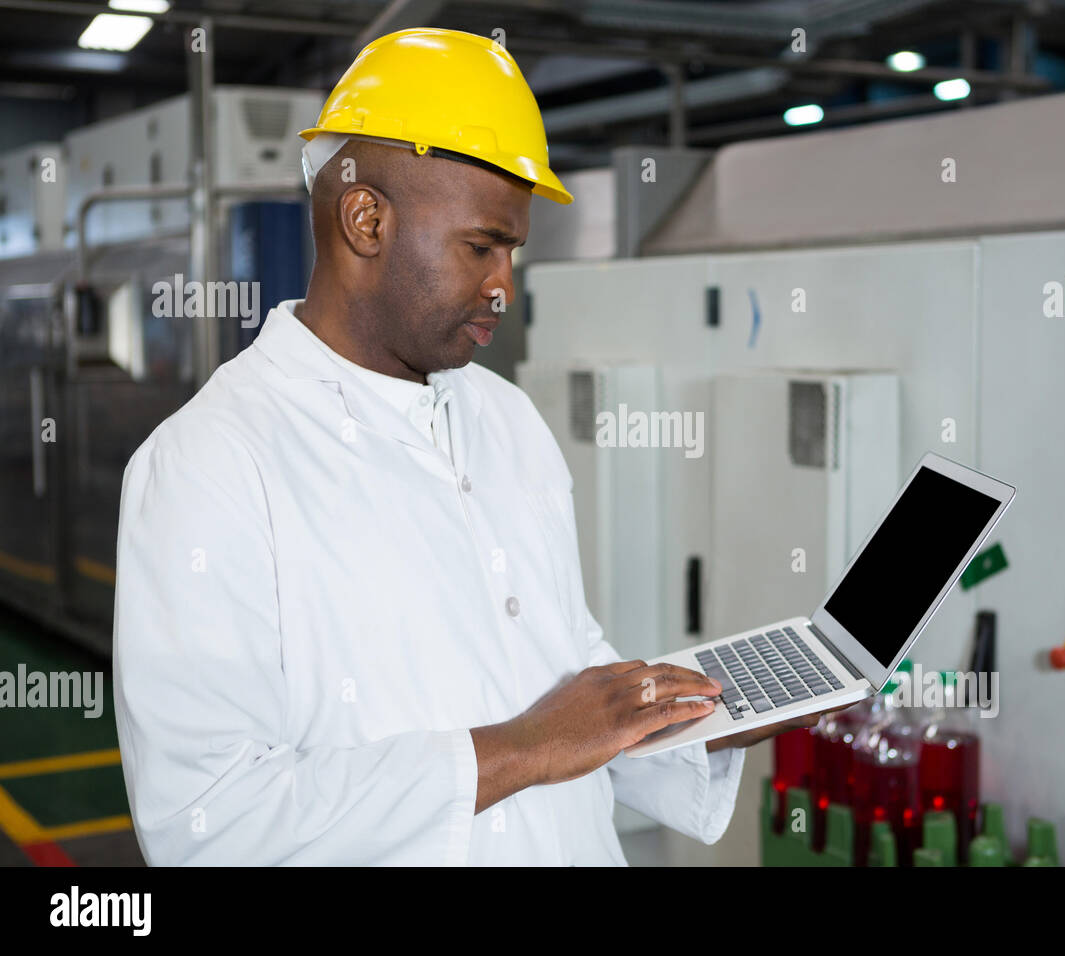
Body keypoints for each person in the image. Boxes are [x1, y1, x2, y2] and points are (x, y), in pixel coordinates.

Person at [113, 28, 820, 865]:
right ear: (365, 219)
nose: (503, 287)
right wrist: (518, 750)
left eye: (513, 251)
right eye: (481, 246)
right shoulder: (210, 466)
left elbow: (564, 670)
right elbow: (208, 820)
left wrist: (701, 713)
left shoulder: (506, 417)